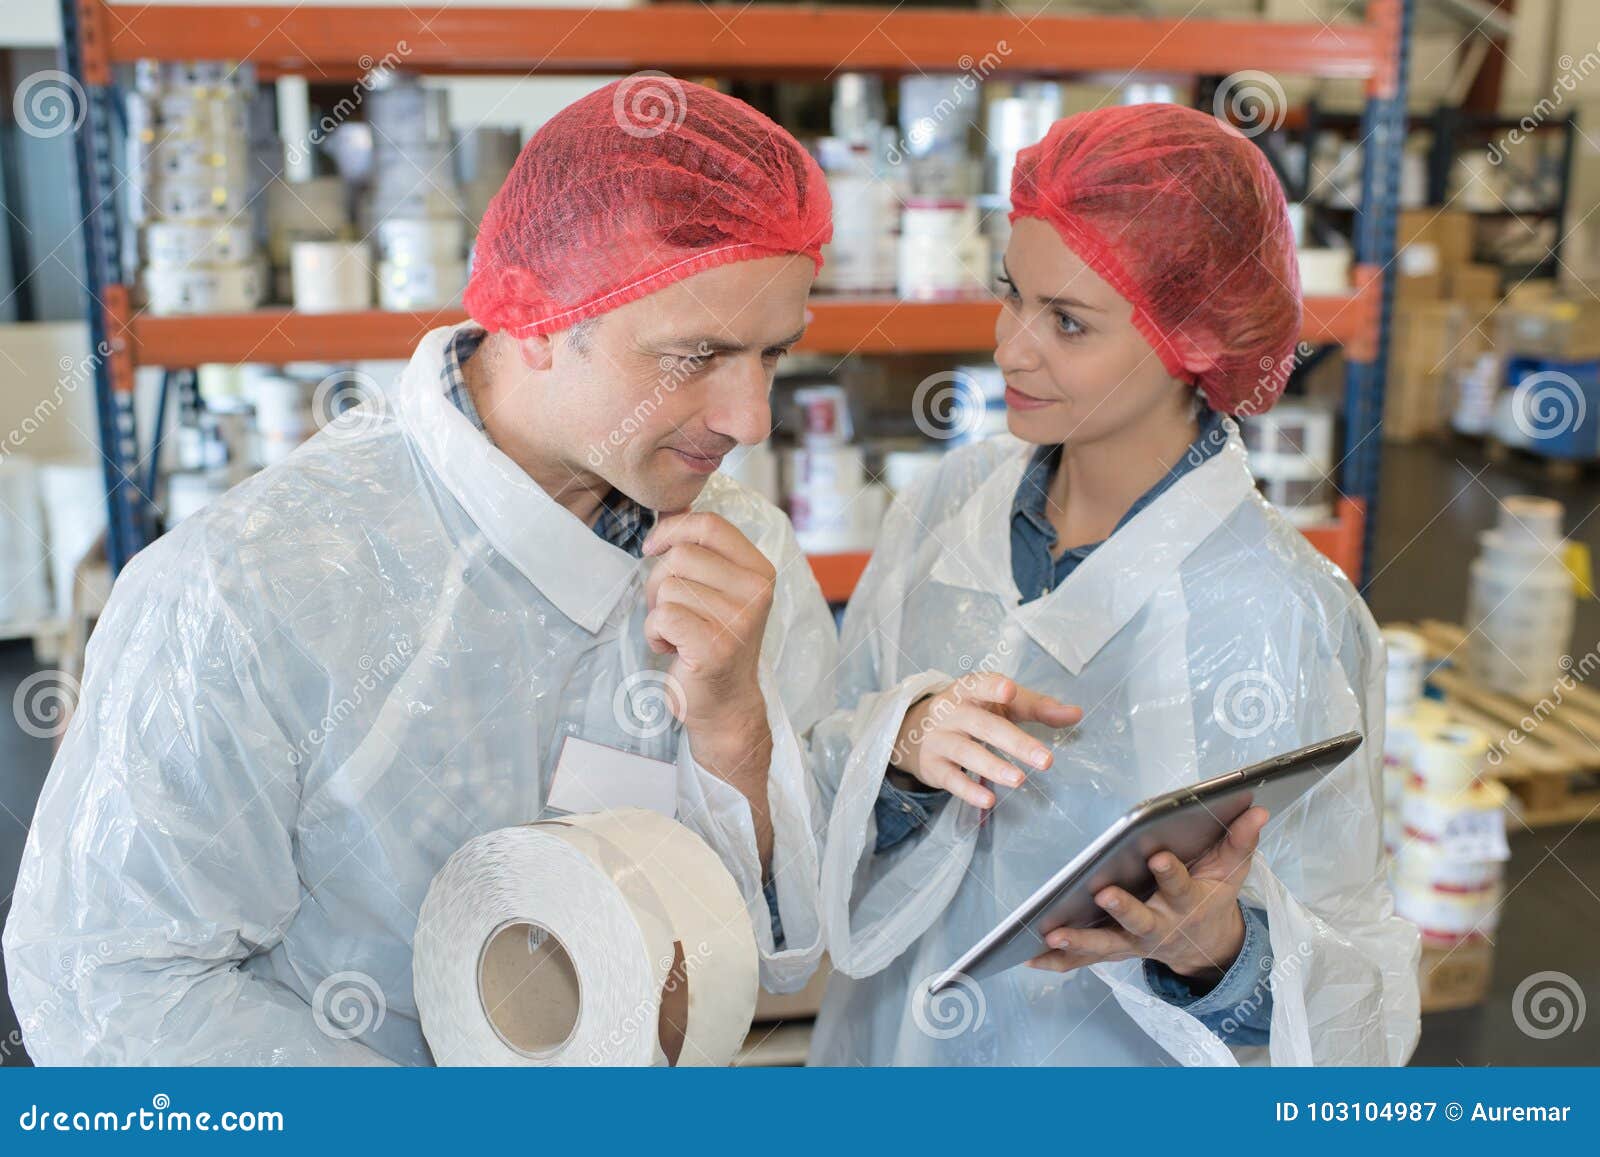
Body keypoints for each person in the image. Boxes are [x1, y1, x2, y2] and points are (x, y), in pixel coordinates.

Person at [4, 78, 839, 1065]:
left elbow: (774, 960)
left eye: (773, 354)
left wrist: (736, 730)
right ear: (532, 317)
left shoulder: (736, 551)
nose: (748, 418)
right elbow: (114, 987)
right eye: (694, 356)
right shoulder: (245, 585)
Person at [809, 104, 1420, 1066]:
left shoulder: (1275, 611)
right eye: (1013, 295)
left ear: (1201, 337)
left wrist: (1214, 953)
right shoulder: (948, 505)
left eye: (1068, 322)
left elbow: (1352, 1004)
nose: (1010, 347)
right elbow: (815, 778)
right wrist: (898, 743)